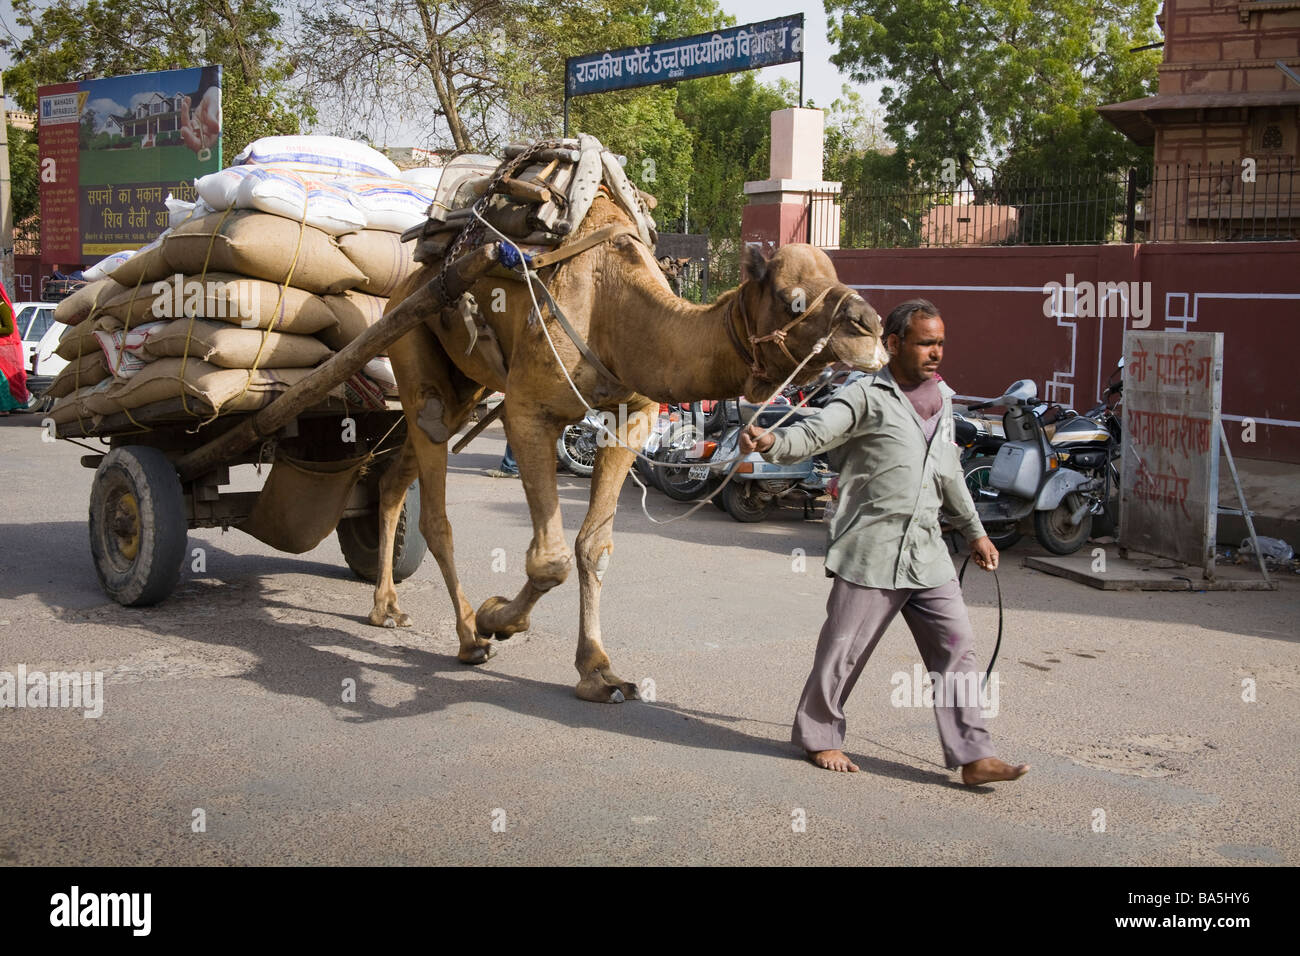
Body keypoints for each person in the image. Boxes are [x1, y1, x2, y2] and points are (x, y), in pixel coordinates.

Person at [739, 299, 1029, 787]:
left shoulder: (943, 399)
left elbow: (949, 472)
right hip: (871, 547)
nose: (936, 353)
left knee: (957, 646)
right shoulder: (865, 394)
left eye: (940, 343)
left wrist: (975, 531)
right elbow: (820, 430)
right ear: (893, 344)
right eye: (925, 343)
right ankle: (820, 736)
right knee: (843, 650)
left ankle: (973, 754)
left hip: (927, 551)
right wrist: (773, 442)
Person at [0, 283, 32, 415]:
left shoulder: (2, 307)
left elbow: (9, 328)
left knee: (3, 380)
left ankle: (4, 408)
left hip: (4, 348)